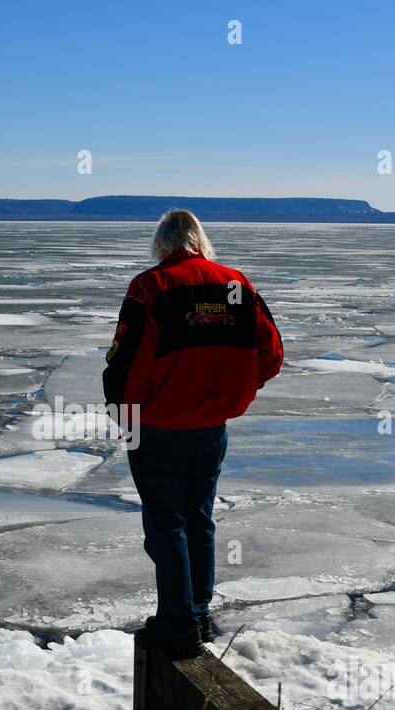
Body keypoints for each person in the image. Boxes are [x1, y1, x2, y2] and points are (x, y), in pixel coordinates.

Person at [102, 209, 283, 659]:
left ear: (161, 244)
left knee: (166, 525)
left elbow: (127, 363)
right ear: (200, 241)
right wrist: (229, 389)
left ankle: (177, 625)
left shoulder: (150, 288)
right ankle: (198, 612)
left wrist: (124, 413)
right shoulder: (236, 284)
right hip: (211, 428)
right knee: (199, 518)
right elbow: (272, 355)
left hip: (156, 429)